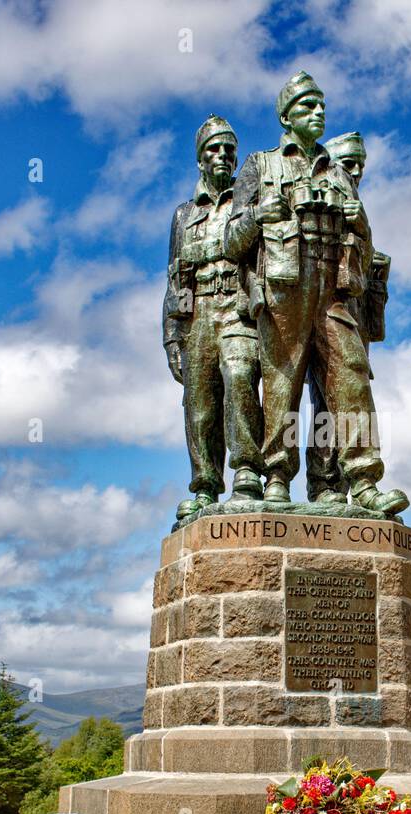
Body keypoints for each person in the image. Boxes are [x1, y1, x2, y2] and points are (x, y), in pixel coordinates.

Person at [223, 71, 408, 515]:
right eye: (308, 106)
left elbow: (364, 247)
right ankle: (277, 477)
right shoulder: (260, 166)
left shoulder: (339, 173)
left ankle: (362, 481)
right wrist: (257, 217)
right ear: (286, 116)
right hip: (286, 287)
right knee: (282, 383)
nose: (319, 112)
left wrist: (359, 220)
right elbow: (231, 242)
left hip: (333, 288)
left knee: (350, 376)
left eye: (322, 105)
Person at [162, 115, 264, 521]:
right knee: (199, 402)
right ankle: (205, 486)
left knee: (239, 376)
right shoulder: (184, 215)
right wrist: (173, 337)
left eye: (229, 150)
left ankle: (247, 472)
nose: (222, 156)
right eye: (213, 149)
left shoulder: (246, 203)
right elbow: (175, 280)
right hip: (199, 312)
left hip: (237, 307)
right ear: (200, 159)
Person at [304, 131, 391, 504]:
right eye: (348, 162)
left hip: (350, 323)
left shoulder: (358, 215)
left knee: (342, 399)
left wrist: (364, 229)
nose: (355, 171)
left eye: (361, 164)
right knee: (318, 405)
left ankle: (336, 485)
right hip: (311, 312)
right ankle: (323, 482)